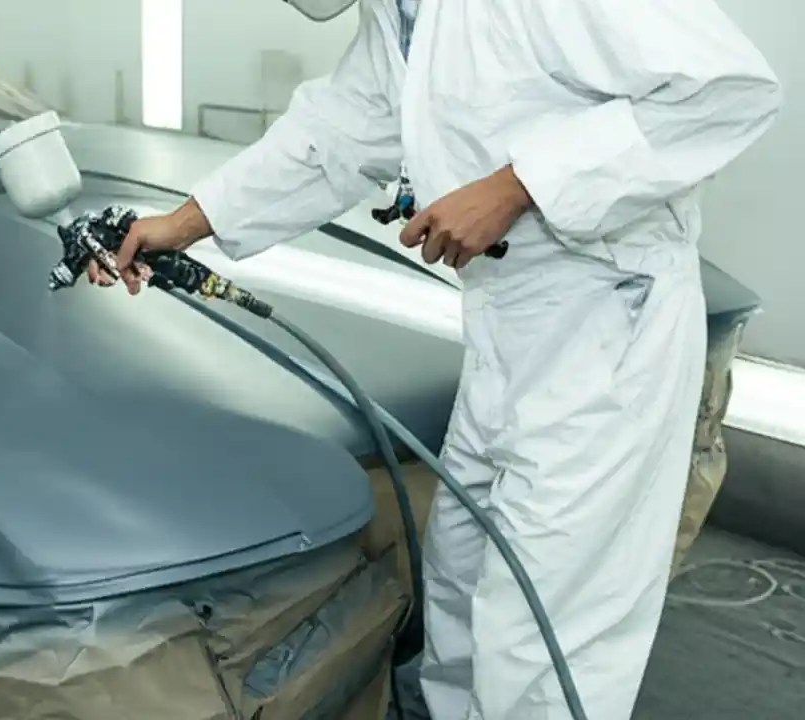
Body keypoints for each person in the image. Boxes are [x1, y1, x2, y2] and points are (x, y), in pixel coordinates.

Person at [91, 0, 782, 718]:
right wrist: (184, 224)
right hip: (506, 324)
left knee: (541, 629)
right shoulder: (402, 15)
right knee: (459, 591)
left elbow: (727, 90)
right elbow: (335, 133)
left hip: (606, 324)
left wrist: (516, 187)